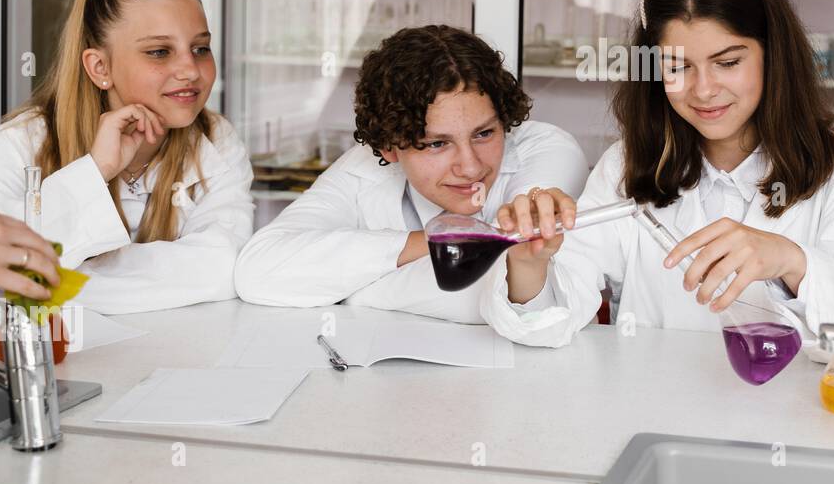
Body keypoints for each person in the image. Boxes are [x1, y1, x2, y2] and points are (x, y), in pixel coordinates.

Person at [482, 0, 834, 348]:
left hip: (789, 418)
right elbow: (549, 321)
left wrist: (791, 260)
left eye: (727, 62)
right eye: (677, 66)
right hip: (655, 414)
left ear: (772, 51)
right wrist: (529, 262)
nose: (703, 90)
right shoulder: (628, 166)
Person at [235, 25, 588, 325]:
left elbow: (535, 300)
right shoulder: (363, 170)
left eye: (484, 134)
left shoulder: (548, 152)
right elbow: (258, 271)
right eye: (437, 144)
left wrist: (352, 293)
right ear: (390, 146)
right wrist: (438, 245)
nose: (470, 166)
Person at [0, 0, 254, 314]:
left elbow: (225, 267)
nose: (190, 69)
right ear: (100, 68)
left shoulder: (217, 141)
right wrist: (96, 170)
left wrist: (58, 283)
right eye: (159, 52)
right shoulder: (19, 145)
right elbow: (0, 274)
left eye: (201, 48)